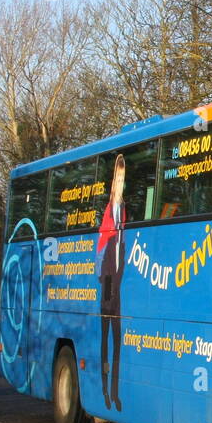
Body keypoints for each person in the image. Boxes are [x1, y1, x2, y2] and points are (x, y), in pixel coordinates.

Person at [97, 155, 126, 410]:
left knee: (118, 340)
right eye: (117, 179)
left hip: (117, 284)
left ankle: (114, 393)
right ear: (112, 183)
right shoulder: (108, 212)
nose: (120, 183)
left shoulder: (123, 211)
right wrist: (105, 281)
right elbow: (101, 249)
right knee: (105, 337)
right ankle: (103, 392)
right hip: (106, 284)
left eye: (123, 179)